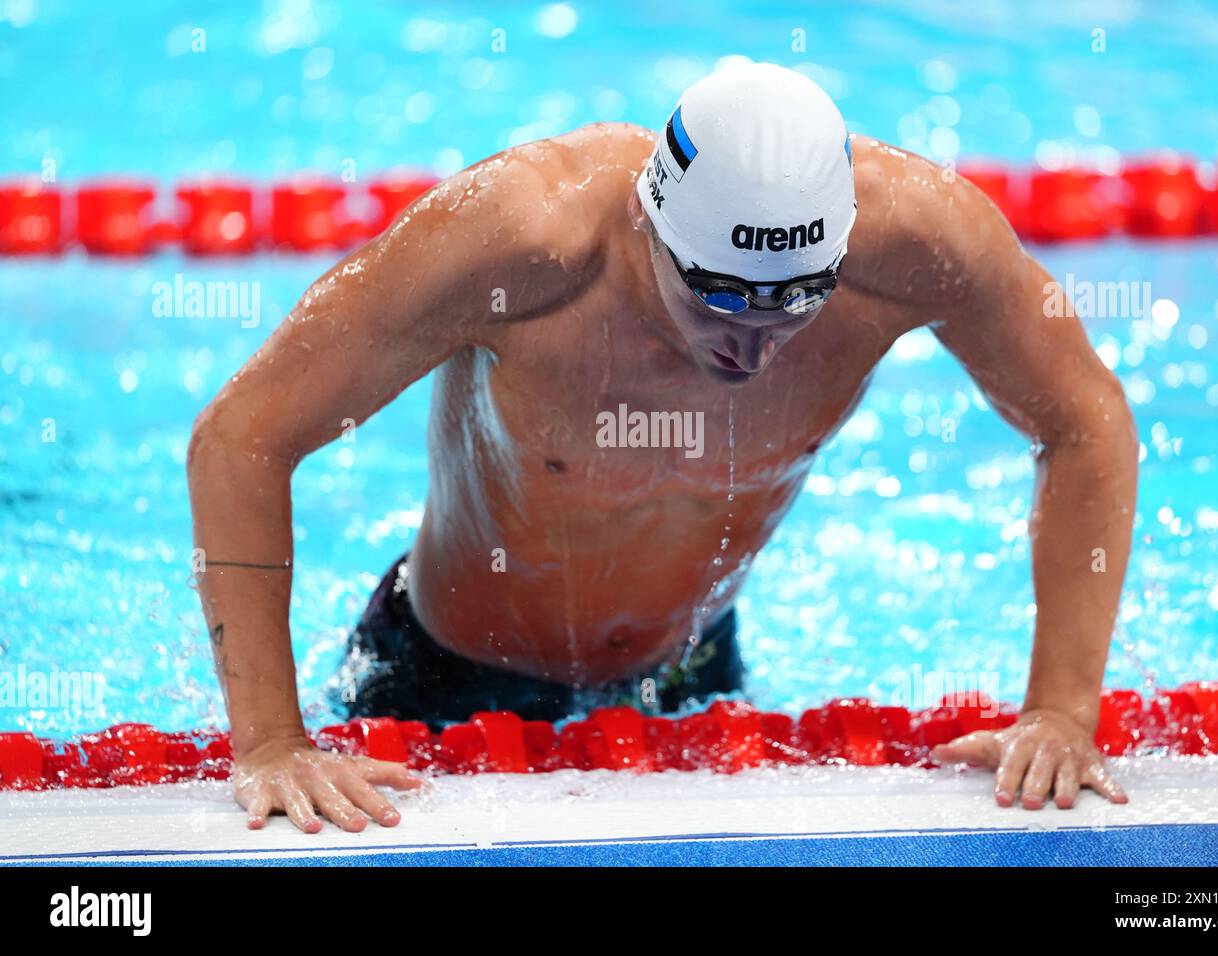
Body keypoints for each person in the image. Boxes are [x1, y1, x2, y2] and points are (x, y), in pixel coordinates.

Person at [188, 63, 1136, 834]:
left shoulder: (925, 245)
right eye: (720, 299)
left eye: (795, 304)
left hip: (689, 679)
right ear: (652, 225)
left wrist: (1060, 709)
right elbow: (244, 437)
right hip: (443, 681)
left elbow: (1085, 421)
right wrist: (271, 741)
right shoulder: (520, 242)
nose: (754, 347)